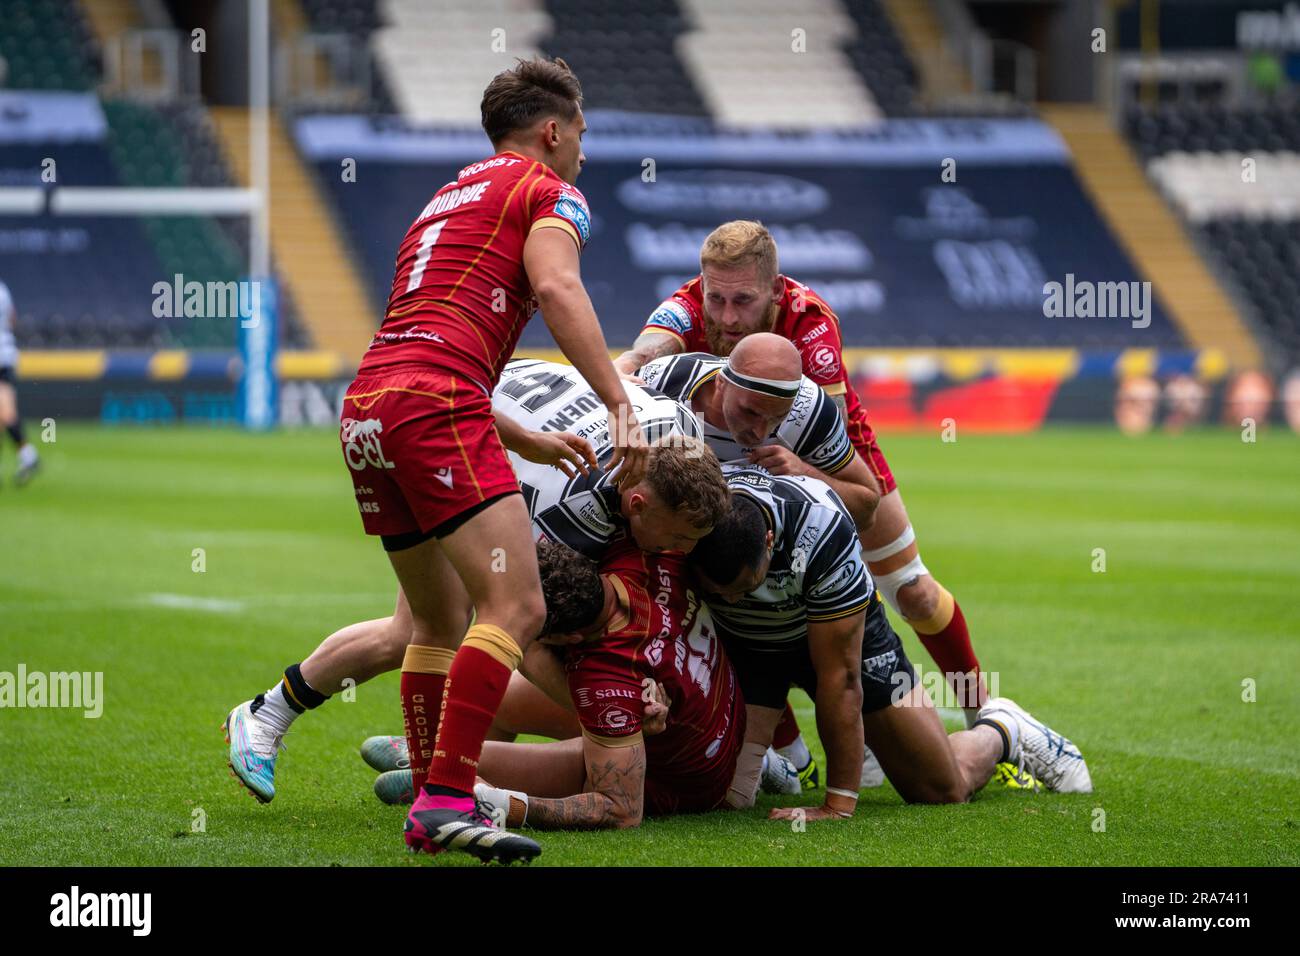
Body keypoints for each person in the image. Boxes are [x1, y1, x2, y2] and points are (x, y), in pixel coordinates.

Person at [230, 57, 648, 866]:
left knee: (435, 622)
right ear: (553, 131)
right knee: (517, 608)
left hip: (368, 407)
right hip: (434, 404)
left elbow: (418, 335)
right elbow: (558, 291)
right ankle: (448, 799)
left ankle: (433, 795)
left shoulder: (444, 200)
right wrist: (619, 404)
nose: (584, 155)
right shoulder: (549, 192)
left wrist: (517, 437)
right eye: (583, 136)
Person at [224, 363, 727, 815]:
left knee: (442, 627)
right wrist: (609, 709)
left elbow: (649, 369)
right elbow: (524, 628)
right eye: (678, 537)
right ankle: (270, 713)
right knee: (426, 628)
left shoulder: (677, 433)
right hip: (459, 450)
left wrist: (621, 372)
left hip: (490, 395)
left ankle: (451, 762)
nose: (680, 550)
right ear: (637, 504)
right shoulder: (564, 514)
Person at [614, 221, 988, 728]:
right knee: (728, 590)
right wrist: (624, 371)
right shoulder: (689, 302)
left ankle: (982, 711)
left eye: (742, 301)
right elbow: (646, 349)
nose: (726, 317)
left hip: (823, 452)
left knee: (911, 589)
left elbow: (814, 437)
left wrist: (805, 480)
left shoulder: (811, 326)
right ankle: (779, 748)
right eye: (715, 299)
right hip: (728, 450)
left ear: (774, 290)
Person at [692, 472, 1093, 824]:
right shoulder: (694, 518)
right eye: (718, 593)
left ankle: (1002, 729)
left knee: (941, 791)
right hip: (750, 651)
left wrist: (837, 804)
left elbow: (841, 677)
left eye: (745, 589)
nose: (730, 601)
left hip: (841, 642)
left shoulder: (821, 530)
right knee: (720, 800)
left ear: (769, 541)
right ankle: (776, 767)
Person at [0, 281, 39, 486]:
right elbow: (12, 319)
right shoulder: (4, 288)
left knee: (5, 412)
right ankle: (27, 455)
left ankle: (28, 455)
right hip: (6, 353)